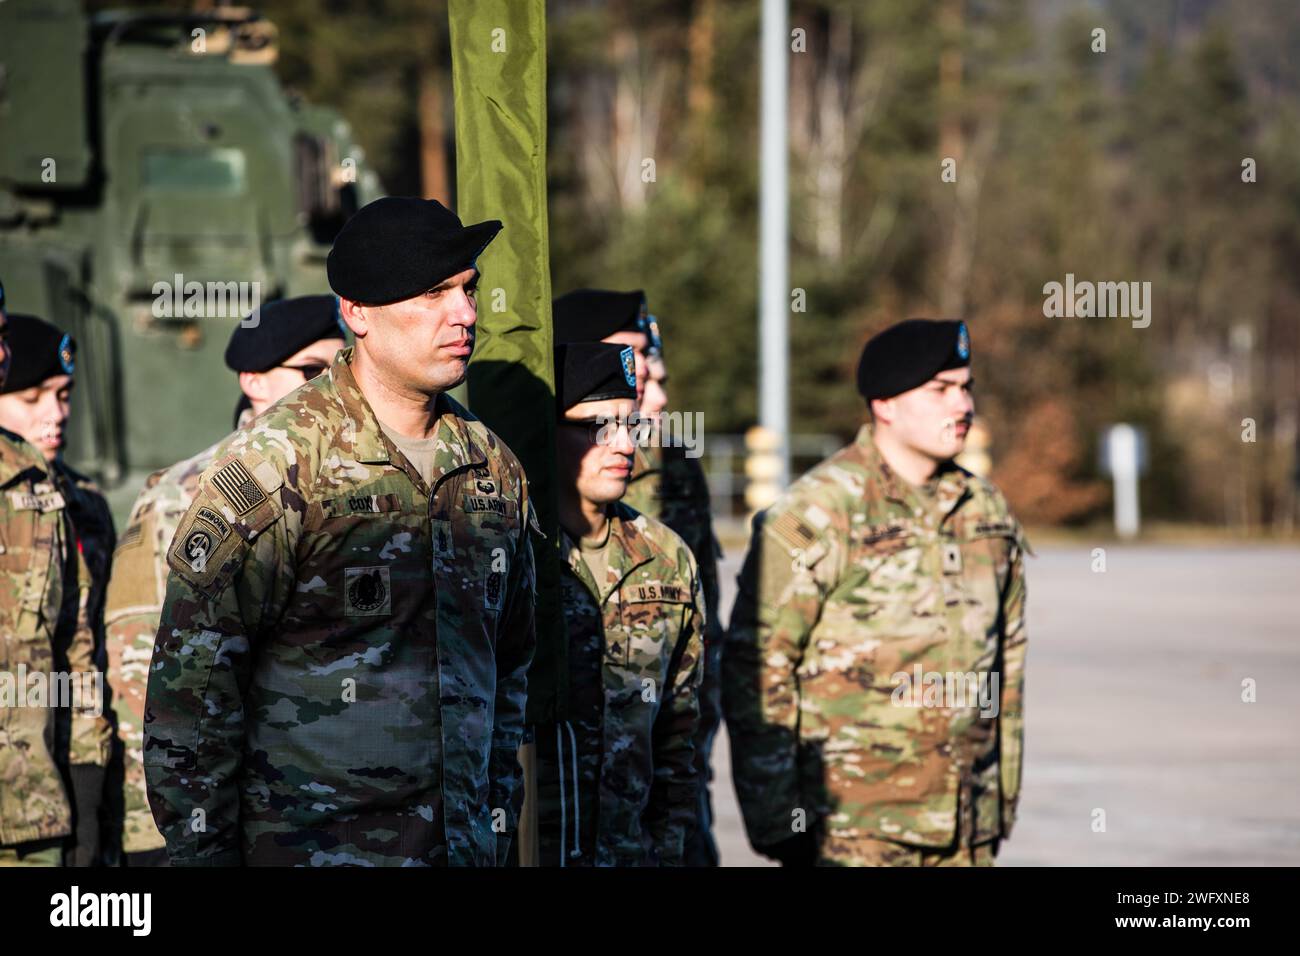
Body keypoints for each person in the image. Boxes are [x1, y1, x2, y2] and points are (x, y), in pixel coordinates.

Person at [143, 197, 537, 866]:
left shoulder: (490, 471)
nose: (465, 314)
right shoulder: (279, 466)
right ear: (356, 313)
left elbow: (511, 671)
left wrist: (495, 827)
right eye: (435, 292)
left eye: (468, 289)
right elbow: (192, 694)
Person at [723, 319, 1029, 867]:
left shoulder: (985, 511)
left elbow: (1007, 664)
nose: (961, 405)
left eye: (966, 388)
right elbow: (758, 666)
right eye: (940, 390)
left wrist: (1001, 797)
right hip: (852, 831)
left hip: (966, 826)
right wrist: (777, 818)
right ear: (885, 403)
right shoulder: (817, 512)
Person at [104, 295, 346, 866]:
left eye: (342, 369)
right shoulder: (183, 493)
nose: (331, 387)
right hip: (217, 820)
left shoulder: (357, 482)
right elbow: (141, 672)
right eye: (312, 371)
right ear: (253, 379)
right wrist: (163, 833)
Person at [552, 289, 723, 865]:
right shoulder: (506, 553)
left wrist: (674, 848)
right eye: (598, 426)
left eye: (626, 423)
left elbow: (679, 737)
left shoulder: (666, 556)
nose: (624, 445)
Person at [0, 302, 113, 866]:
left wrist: (86, 787)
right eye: (31, 399)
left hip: (44, 796)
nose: (56, 415)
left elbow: (79, 650)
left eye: (64, 396)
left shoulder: (80, 501)